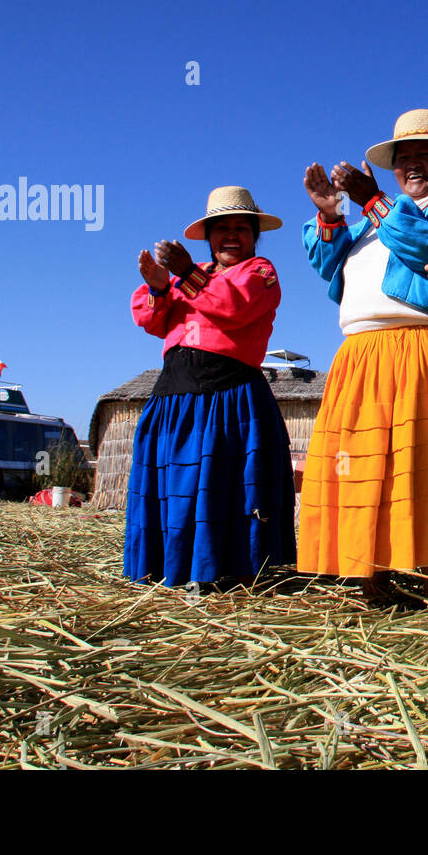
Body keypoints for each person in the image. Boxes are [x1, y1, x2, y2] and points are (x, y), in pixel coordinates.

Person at [299, 109, 428, 600]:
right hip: (363, 354)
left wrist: (375, 204)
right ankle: (373, 574)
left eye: (424, 156)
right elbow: (326, 266)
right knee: (370, 463)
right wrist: (332, 214)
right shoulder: (370, 218)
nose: (412, 165)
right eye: (402, 158)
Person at [125, 186, 296, 587]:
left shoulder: (260, 272)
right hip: (176, 399)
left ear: (255, 236)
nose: (232, 235)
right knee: (176, 486)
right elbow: (152, 321)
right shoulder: (194, 275)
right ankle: (171, 568)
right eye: (222, 228)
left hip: (229, 399)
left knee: (225, 487)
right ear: (208, 236)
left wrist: (186, 274)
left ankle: (228, 571)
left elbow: (234, 308)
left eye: (242, 227)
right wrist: (157, 285)